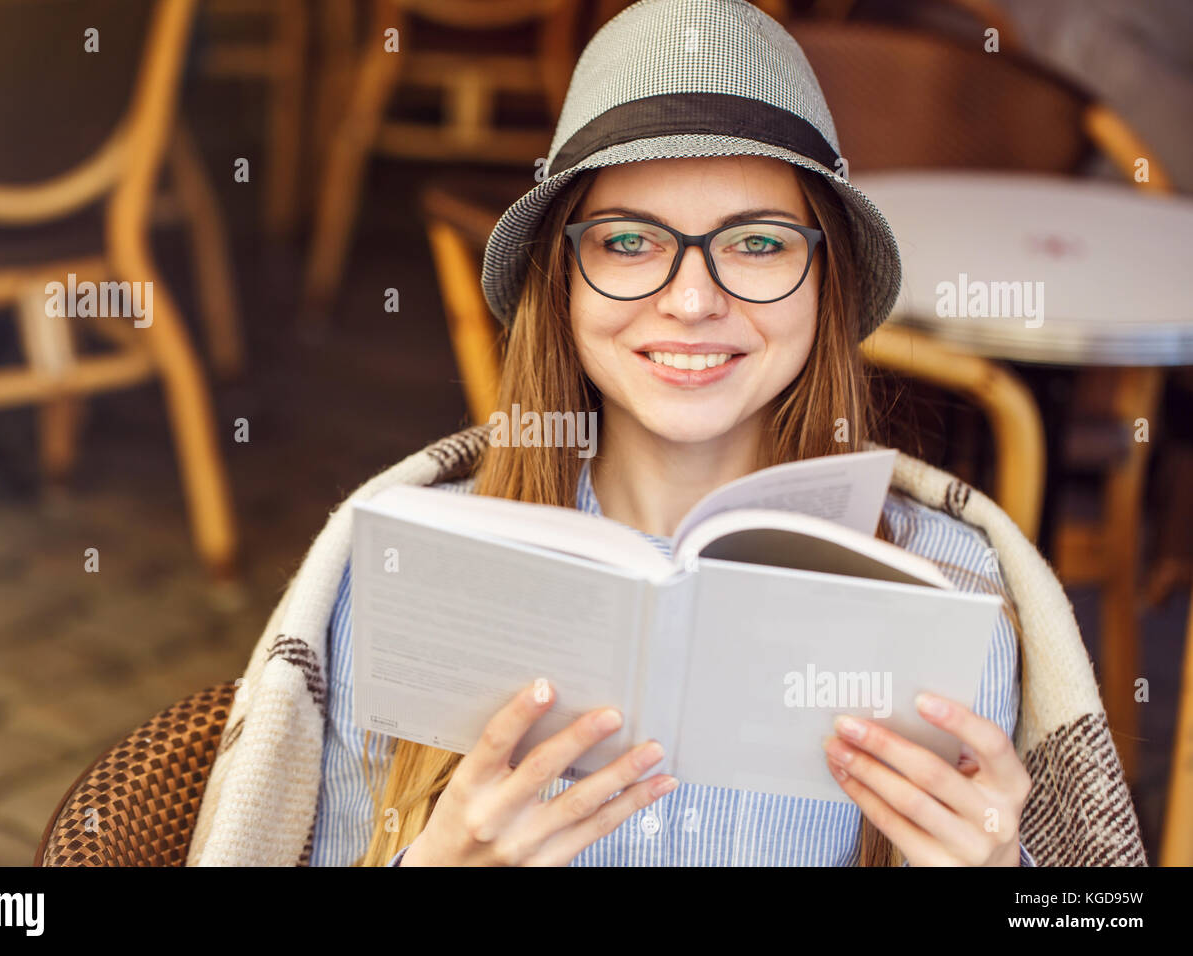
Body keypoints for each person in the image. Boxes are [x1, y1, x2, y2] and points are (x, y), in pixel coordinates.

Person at [305, 0, 1037, 867]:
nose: (693, 301)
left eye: (759, 245)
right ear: (563, 281)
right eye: (628, 242)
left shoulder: (951, 593)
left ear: (824, 282)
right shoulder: (402, 566)